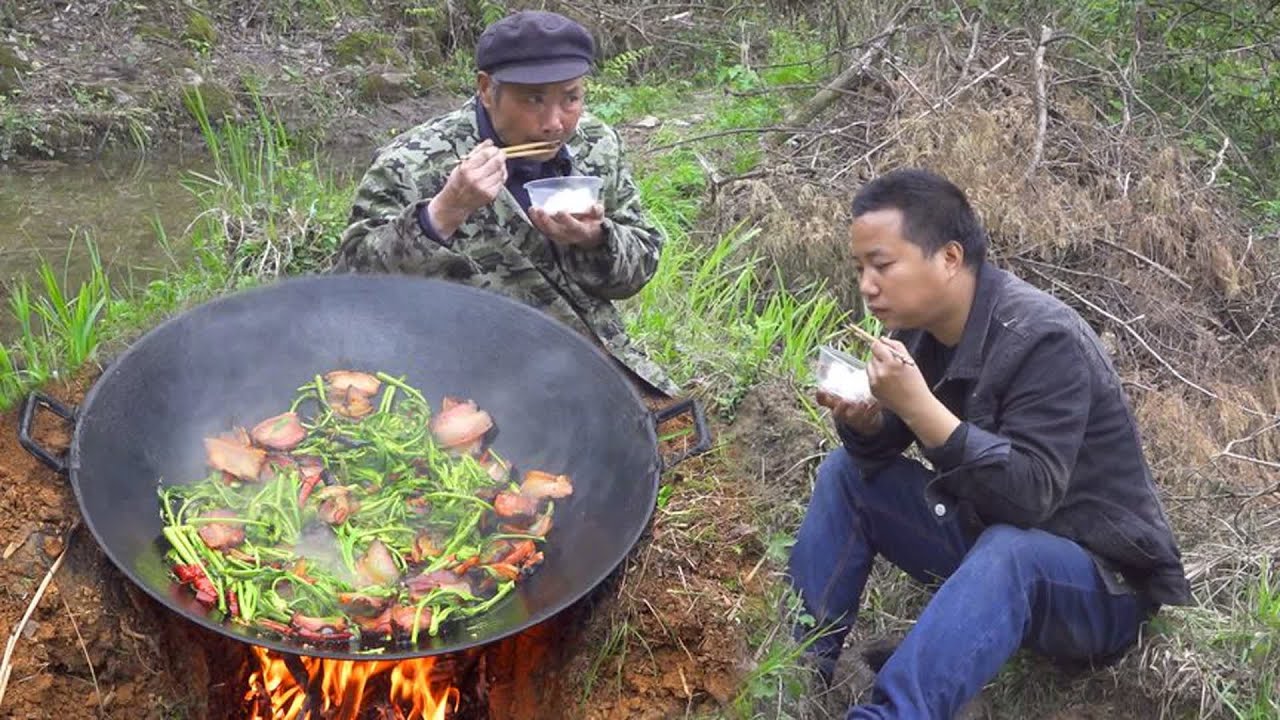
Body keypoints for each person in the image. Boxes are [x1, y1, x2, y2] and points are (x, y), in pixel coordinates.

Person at [787, 168, 1192, 718]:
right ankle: (792, 678)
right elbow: (885, 450)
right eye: (860, 268)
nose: (867, 285)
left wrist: (918, 404)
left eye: (882, 265)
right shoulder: (918, 330)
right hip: (990, 545)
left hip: (1100, 586)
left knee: (1012, 551)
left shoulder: (1044, 338)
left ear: (949, 258)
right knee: (847, 474)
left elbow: (1030, 500)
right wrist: (867, 424)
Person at [332, 10, 677, 397]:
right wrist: (443, 213)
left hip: (588, 360)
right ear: (486, 89)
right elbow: (352, 288)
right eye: (533, 99)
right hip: (463, 380)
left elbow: (640, 266)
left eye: (571, 98)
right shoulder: (410, 162)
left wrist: (595, 238)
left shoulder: (596, 144)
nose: (554, 123)